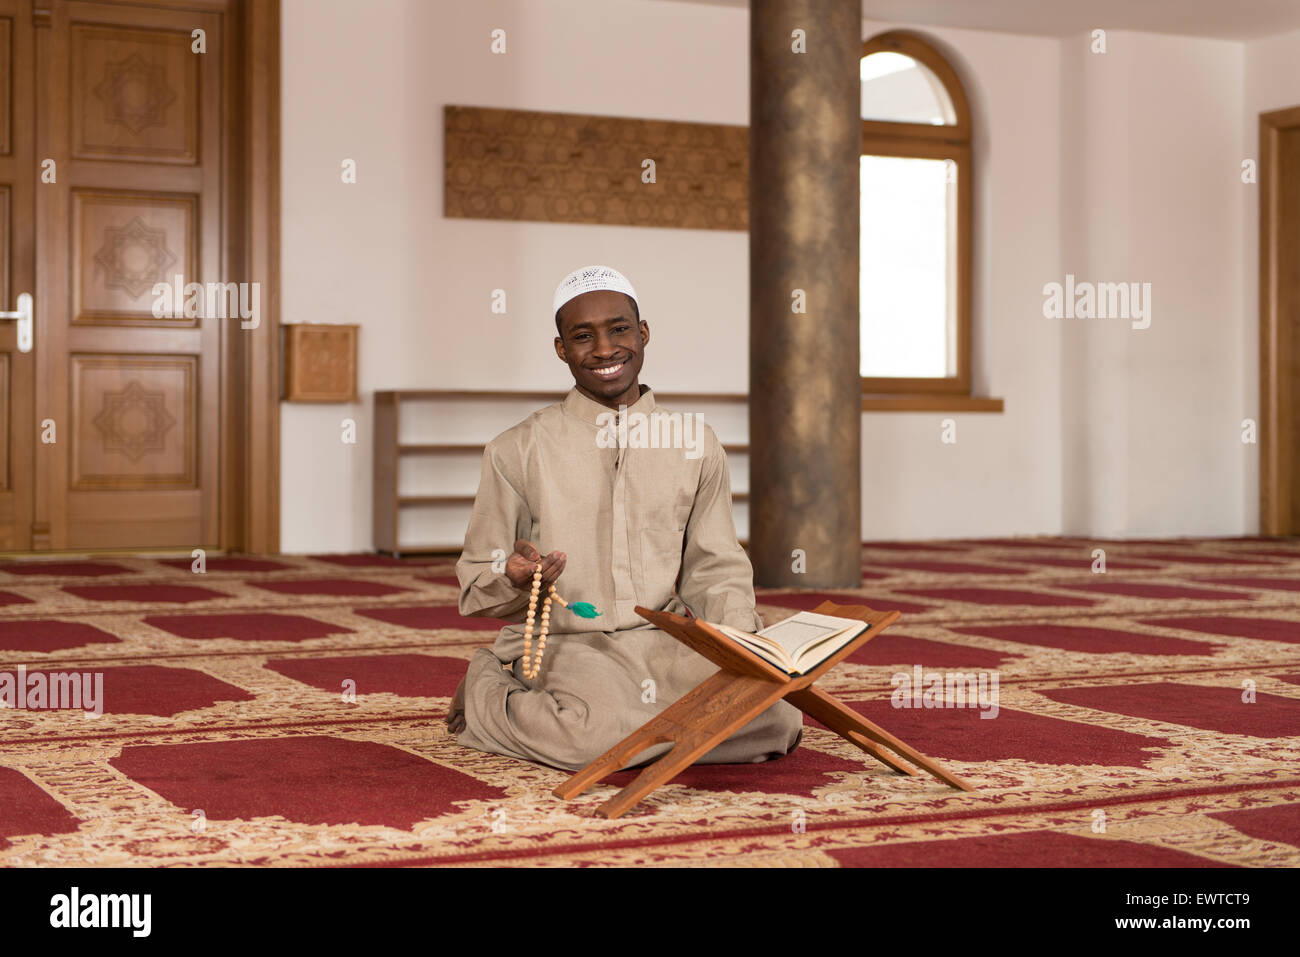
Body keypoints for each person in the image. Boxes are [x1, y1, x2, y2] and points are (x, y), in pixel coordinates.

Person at [445, 264, 802, 771]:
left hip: (667, 639)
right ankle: (486, 688)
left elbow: (715, 565)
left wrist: (741, 650)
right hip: (568, 641)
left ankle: (644, 731)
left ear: (643, 333)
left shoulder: (695, 445)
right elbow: (476, 582)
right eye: (582, 336)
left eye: (618, 329)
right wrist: (514, 577)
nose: (605, 349)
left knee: (775, 721)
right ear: (561, 349)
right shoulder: (516, 449)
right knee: (589, 744)